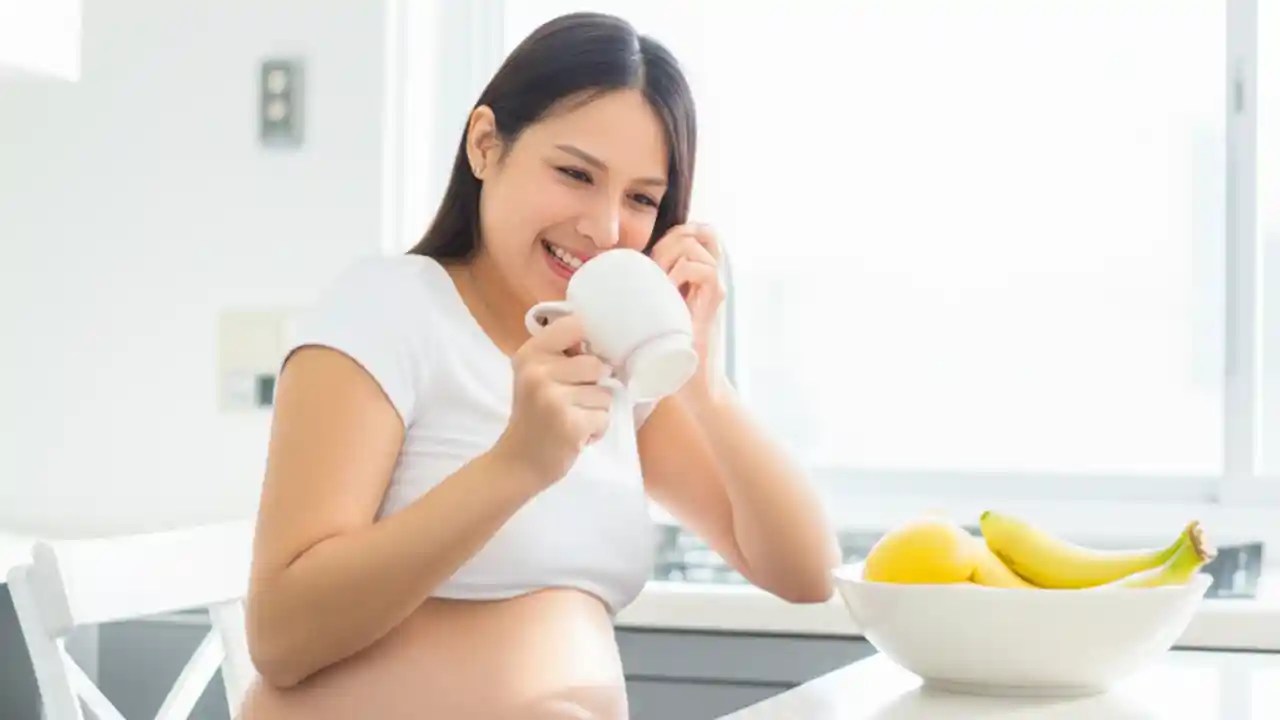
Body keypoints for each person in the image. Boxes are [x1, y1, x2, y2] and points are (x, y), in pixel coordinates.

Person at [238, 12, 840, 720]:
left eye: (641, 198)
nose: (606, 228)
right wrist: (518, 464)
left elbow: (807, 574)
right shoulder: (390, 308)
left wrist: (706, 386)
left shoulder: (612, 358)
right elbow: (280, 636)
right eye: (575, 174)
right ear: (486, 145)